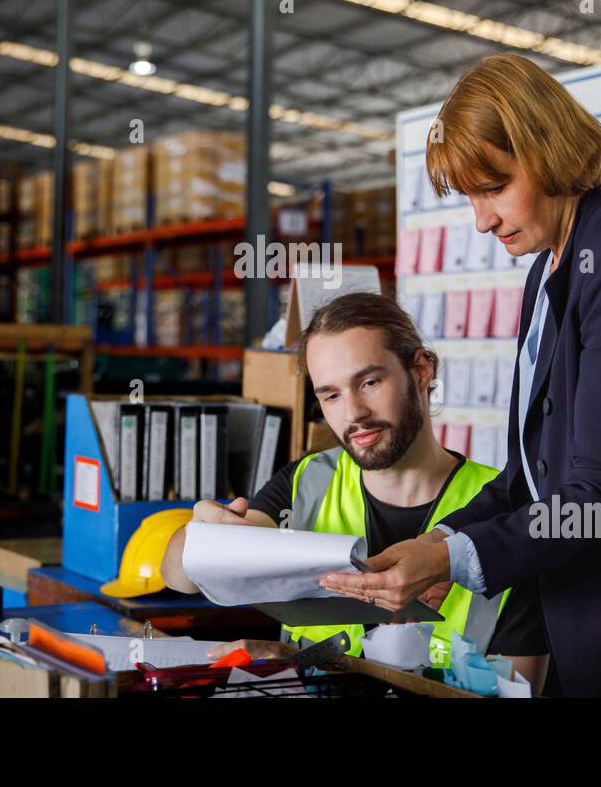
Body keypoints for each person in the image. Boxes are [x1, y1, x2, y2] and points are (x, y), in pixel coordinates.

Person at [321, 54, 601, 697]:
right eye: (471, 198)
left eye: (494, 189)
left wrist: (451, 557)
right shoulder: (551, 269)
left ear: (548, 150)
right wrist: (440, 542)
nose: (482, 220)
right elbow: (530, 479)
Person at [160, 292, 549, 689]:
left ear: (421, 371)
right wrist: (202, 535)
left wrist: (313, 668)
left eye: (369, 382)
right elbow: (178, 577)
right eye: (331, 395)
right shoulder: (308, 482)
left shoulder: (509, 511)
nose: (354, 414)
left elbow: (521, 687)